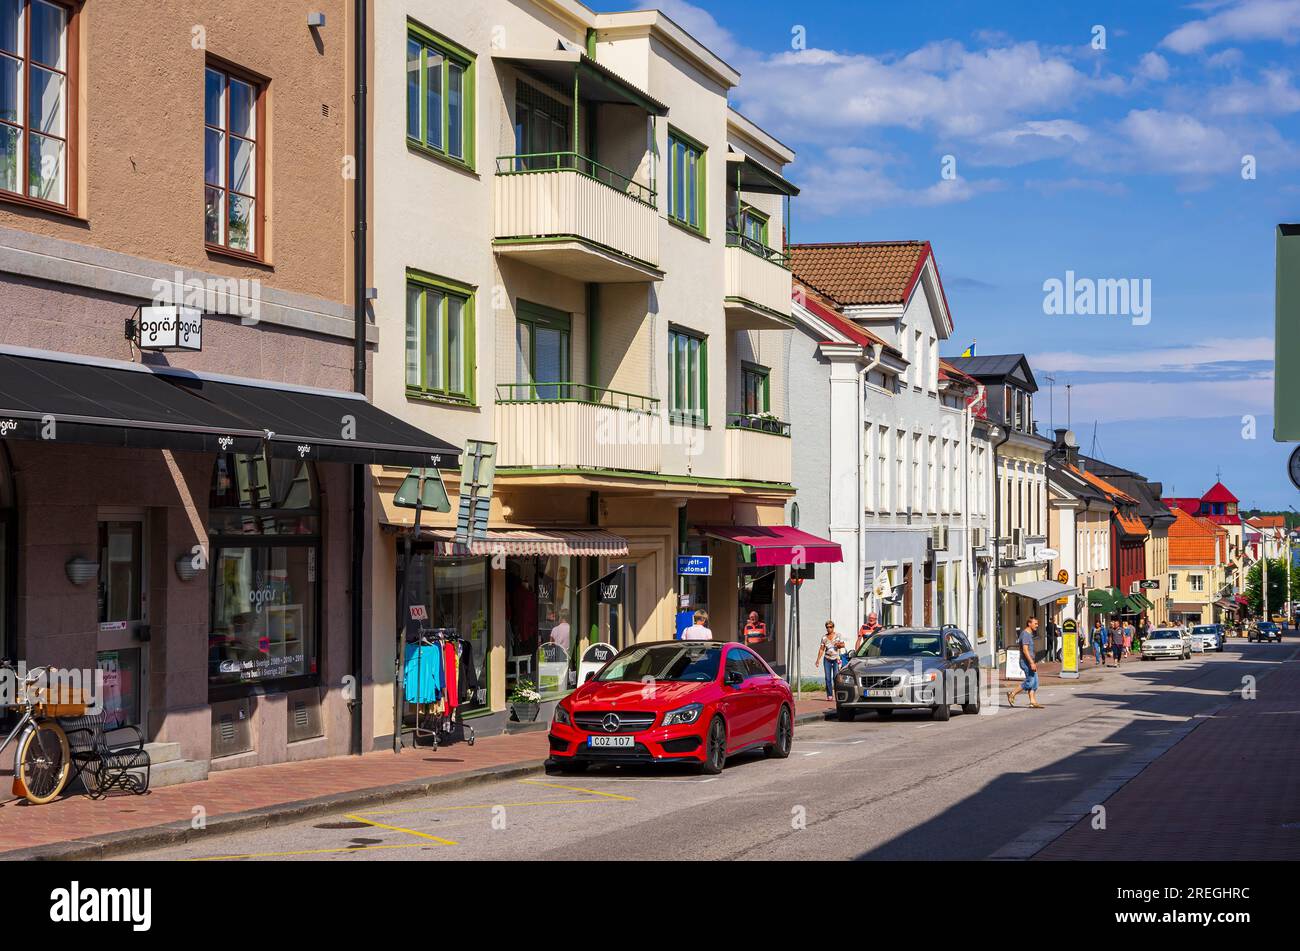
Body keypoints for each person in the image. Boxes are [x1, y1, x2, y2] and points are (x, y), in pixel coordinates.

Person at [1006, 617, 1043, 708]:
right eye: (1035, 624)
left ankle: (1033, 701)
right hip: (1026, 662)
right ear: (1029, 624)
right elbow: (1025, 650)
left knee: (1035, 682)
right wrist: (1031, 662)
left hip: (1029, 661)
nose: (1037, 626)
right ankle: (1012, 693)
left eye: (1037, 624)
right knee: (1030, 681)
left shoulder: (1028, 634)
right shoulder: (1025, 634)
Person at [815, 621, 842, 701]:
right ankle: (829, 695)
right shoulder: (824, 637)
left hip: (836, 658)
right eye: (827, 627)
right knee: (827, 678)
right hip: (827, 659)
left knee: (836, 677)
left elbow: (842, 645)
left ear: (833, 627)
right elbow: (821, 649)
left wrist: (839, 645)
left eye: (830, 627)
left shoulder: (838, 635)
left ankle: (838, 694)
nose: (829, 629)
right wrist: (818, 660)